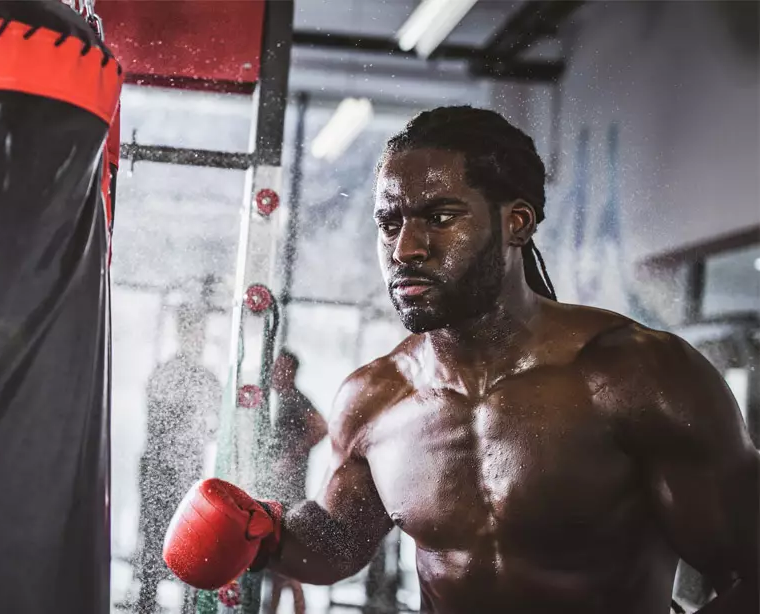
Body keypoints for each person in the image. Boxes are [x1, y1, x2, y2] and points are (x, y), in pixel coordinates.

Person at [163, 106, 759, 613]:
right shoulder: (376, 399)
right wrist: (262, 533)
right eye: (389, 222)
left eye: (440, 218)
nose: (406, 248)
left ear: (516, 223)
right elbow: (340, 541)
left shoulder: (637, 377)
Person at [134, 303, 221, 614]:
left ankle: (179, 604)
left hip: (184, 473)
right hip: (163, 470)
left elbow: (217, 427)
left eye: (198, 331)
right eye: (192, 330)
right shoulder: (171, 375)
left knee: (187, 541)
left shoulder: (197, 378)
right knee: (159, 539)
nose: (195, 337)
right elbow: (158, 423)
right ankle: (150, 601)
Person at [264, 350, 327, 614]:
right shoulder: (275, 400)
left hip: (289, 491)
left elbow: (321, 427)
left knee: (285, 555)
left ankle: (297, 609)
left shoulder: (296, 400)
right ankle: (277, 608)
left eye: (283, 369)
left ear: (292, 372)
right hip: (275, 487)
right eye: (275, 368)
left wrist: (293, 456)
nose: (277, 374)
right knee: (279, 558)